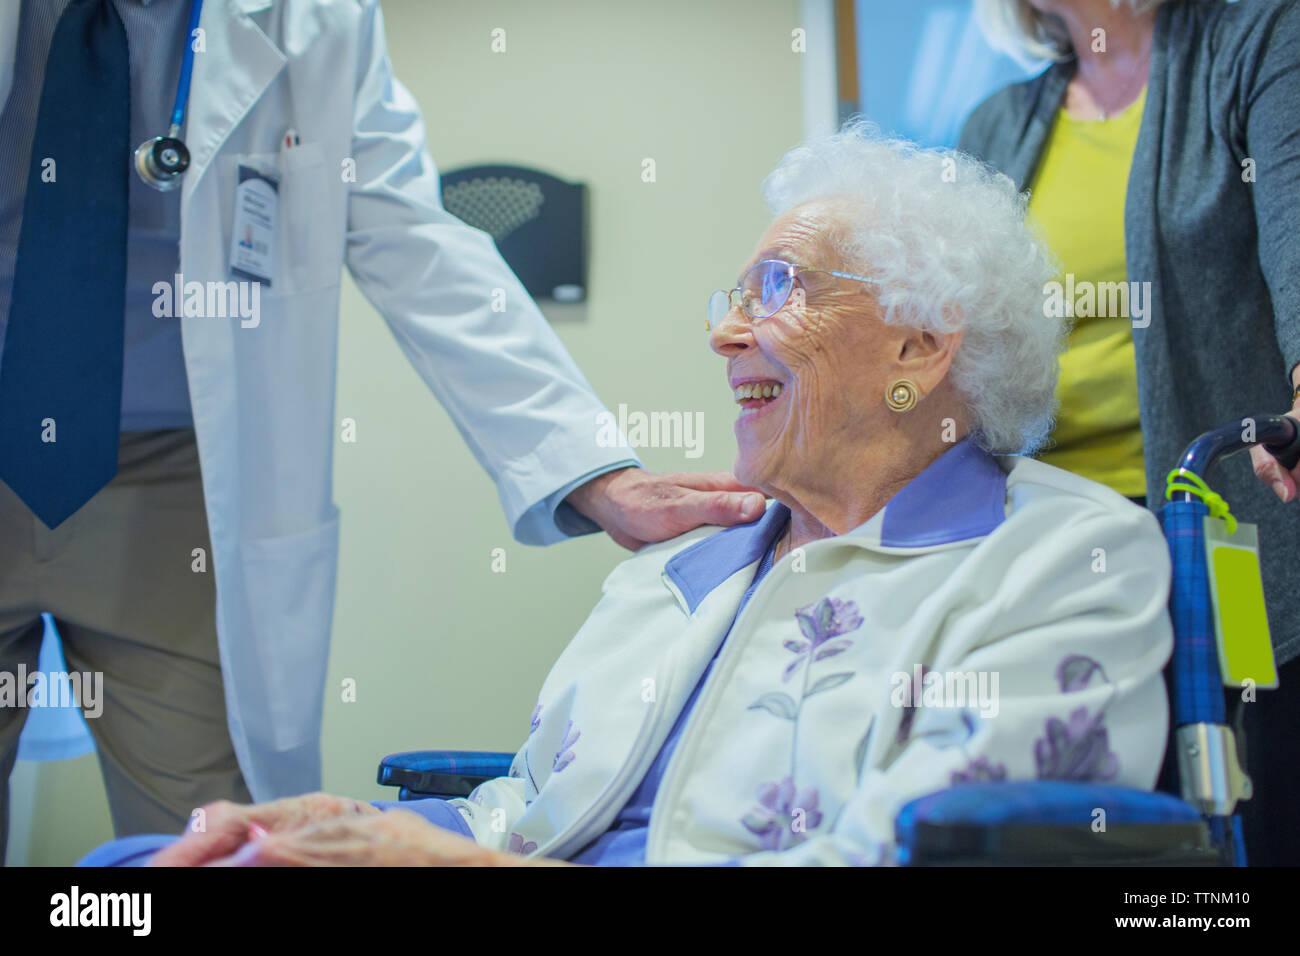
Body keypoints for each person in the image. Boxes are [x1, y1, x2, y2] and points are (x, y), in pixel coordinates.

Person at [82, 123, 1175, 866]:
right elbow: (526, 814)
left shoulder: (1062, 559)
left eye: (777, 290)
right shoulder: (685, 563)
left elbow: (920, 852)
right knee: (130, 875)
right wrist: (343, 826)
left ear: (920, 347)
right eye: (730, 295)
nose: (721, 331)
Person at [0, 0, 761, 857]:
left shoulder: (315, 18)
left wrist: (596, 473)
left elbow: (420, 241)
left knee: (213, 841)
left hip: (180, 489)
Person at [960, 0, 1300, 864]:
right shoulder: (998, 125)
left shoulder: (1253, 41)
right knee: (1111, 831)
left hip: (1220, 510)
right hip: (1050, 543)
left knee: (1253, 809)